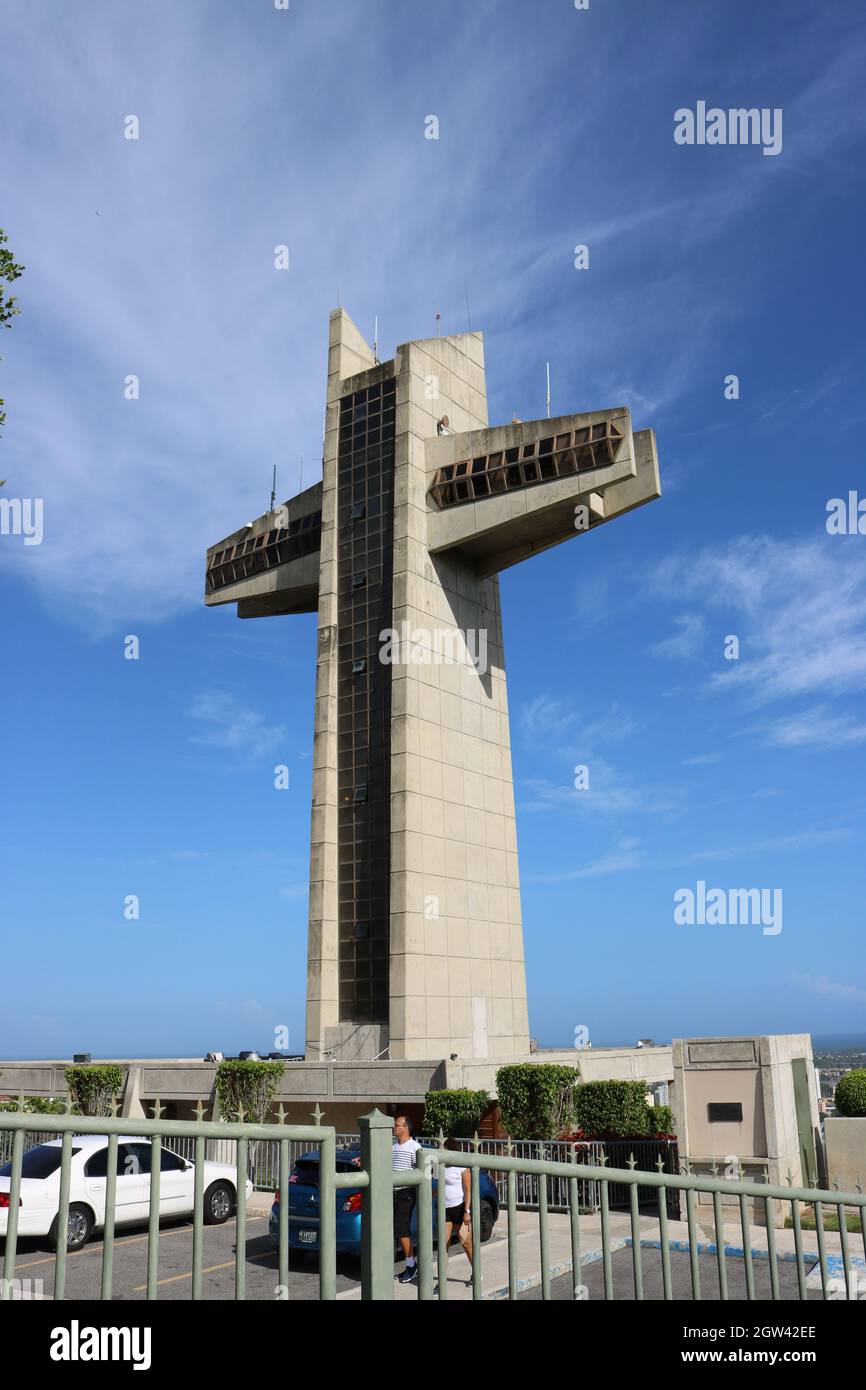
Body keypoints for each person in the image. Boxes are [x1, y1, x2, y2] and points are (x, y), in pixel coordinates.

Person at [436, 1136, 473, 1290]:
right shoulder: (440, 1166)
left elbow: (468, 1189)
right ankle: (441, 1282)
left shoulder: (461, 1166)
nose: (441, 1151)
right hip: (444, 1208)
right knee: (443, 1245)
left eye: (444, 1148)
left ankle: (476, 1272)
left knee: (466, 1242)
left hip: (459, 1207)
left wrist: (467, 1211)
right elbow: (436, 1184)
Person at [392, 1113, 421, 1283]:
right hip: (393, 1193)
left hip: (407, 1193)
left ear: (406, 1128)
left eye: (397, 1124)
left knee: (402, 1230)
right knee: (396, 1230)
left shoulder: (414, 1147)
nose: (394, 1127)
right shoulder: (394, 1147)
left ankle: (411, 1265)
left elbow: (421, 1171)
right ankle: (408, 1264)